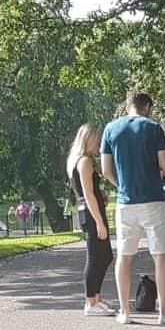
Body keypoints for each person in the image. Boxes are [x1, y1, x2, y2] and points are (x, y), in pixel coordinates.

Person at [100, 91, 165, 325]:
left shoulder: (110, 129)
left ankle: (125, 311)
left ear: (127, 106)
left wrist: (122, 185)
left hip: (125, 202)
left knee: (125, 256)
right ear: (148, 107)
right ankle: (164, 312)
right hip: (153, 199)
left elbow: (106, 170)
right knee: (161, 255)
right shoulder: (153, 128)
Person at [67, 123, 115, 317]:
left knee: (106, 256)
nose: (98, 145)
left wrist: (100, 193)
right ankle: (90, 301)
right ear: (89, 140)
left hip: (90, 210)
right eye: (97, 140)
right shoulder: (84, 161)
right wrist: (99, 222)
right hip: (91, 212)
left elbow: (87, 190)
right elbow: (87, 194)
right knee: (96, 257)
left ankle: (96, 297)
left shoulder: (77, 160)